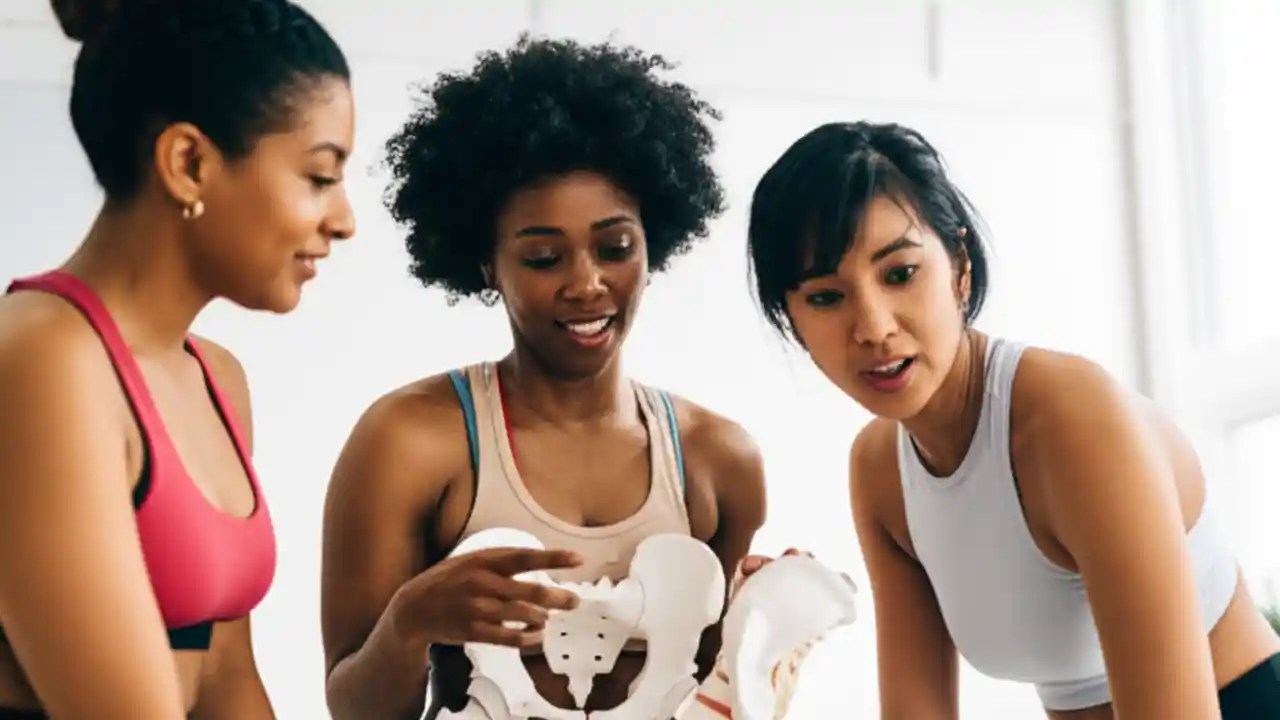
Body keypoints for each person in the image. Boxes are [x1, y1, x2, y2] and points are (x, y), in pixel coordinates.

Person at [745, 120, 1280, 719]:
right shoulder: (880, 473)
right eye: (825, 297)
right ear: (793, 322)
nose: (872, 326)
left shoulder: (1073, 423)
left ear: (960, 268)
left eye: (900, 274)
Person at [320, 36, 767, 720]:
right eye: (544, 257)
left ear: (655, 241)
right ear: (484, 263)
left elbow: (722, 699)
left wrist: (768, 631)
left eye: (615, 248)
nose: (587, 284)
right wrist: (411, 621)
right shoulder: (409, 441)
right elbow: (356, 710)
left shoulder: (719, 459)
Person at [0, 0, 355, 717]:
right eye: (319, 177)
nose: (345, 219)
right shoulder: (41, 361)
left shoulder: (216, 378)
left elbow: (226, 679)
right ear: (189, 163)